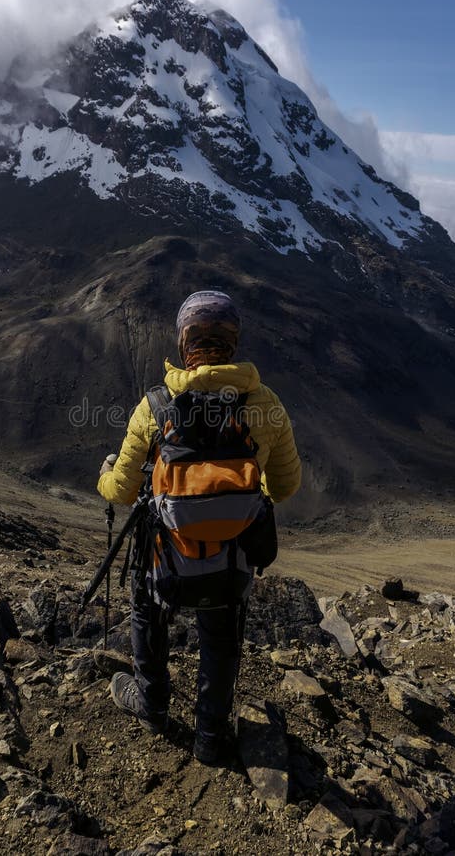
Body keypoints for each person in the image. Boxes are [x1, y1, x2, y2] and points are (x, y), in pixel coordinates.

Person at [97, 290, 301, 763]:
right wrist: (244, 495)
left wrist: (103, 475)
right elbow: (286, 484)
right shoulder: (265, 404)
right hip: (232, 559)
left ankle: (152, 707)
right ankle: (210, 738)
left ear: (184, 342)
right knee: (221, 633)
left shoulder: (155, 406)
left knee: (148, 615)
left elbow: (124, 490)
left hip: (164, 557)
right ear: (234, 342)